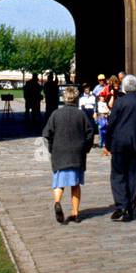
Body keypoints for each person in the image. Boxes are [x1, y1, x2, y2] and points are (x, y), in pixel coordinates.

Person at [41, 86, 96, 224]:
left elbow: (46, 134)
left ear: (64, 98)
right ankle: (75, 213)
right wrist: (86, 147)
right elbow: (90, 132)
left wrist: (52, 148)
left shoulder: (55, 114)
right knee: (75, 184)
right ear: (76, 99)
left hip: (60, 152)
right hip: (77, 153)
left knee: (59, 183)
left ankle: (57, 202)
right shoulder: (81, 114)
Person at [106, 74, 136, 222]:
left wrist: (108, 144)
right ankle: (131, 207)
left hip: (120, 143)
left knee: (118, 175)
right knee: (133, 176)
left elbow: (111, 124)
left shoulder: (119, 103)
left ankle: (122, 206)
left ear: (124, 87)